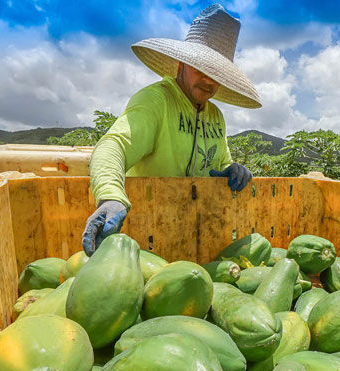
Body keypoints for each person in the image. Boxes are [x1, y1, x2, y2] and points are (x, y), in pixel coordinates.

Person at [82, 4, 261, 255]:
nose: (209, 81)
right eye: (202, 68)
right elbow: (114, 146)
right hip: (148, 234)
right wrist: (110, 196)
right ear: (181, 65)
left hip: (197, 236)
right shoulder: (157, 101)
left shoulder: (215, 116)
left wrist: (232, 170)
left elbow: (220, 164)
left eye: (217, 74)